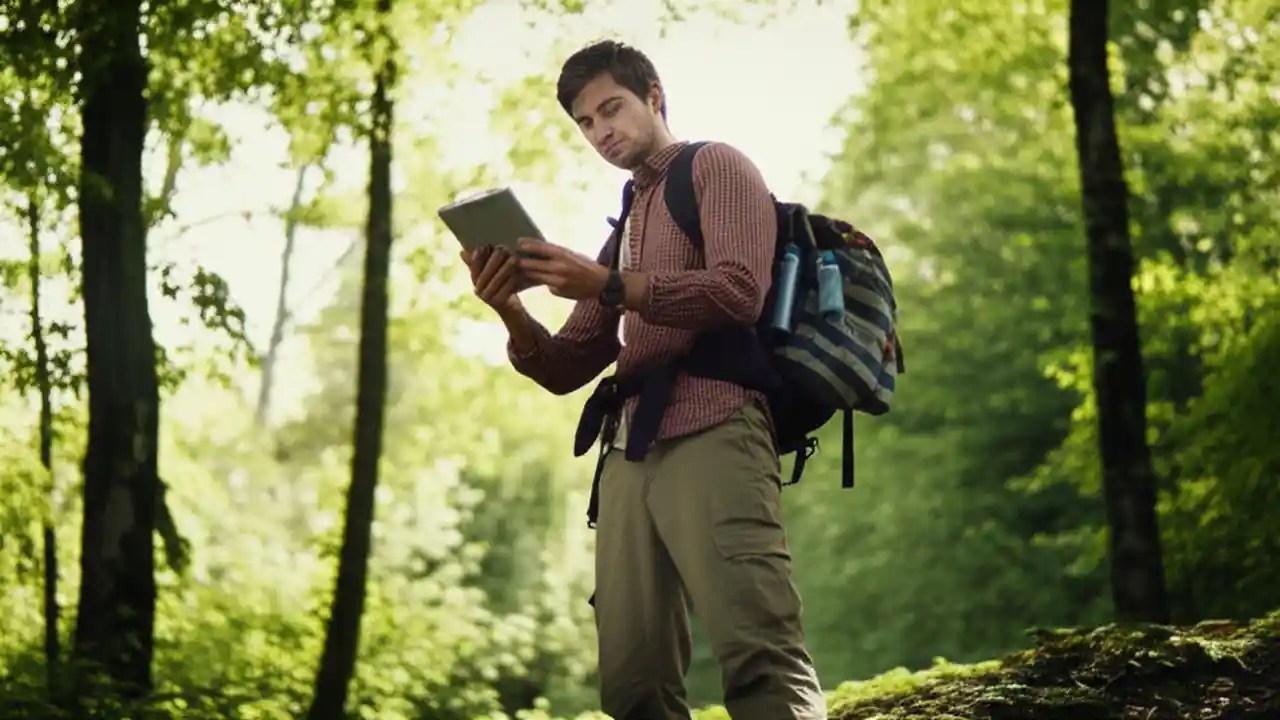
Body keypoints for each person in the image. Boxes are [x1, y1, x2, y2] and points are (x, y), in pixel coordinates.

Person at [460, 39, 826, 720]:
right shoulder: (626, 219)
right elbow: (568, 366)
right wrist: (509, 309)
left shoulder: (716, 166)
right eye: (586, 123)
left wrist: (611, 284)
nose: (601, 131)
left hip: (717, 426)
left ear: (654, 95)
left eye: (612, 109)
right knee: (632, 685)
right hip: (627, 454)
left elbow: (739, 290)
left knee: (759, 655)